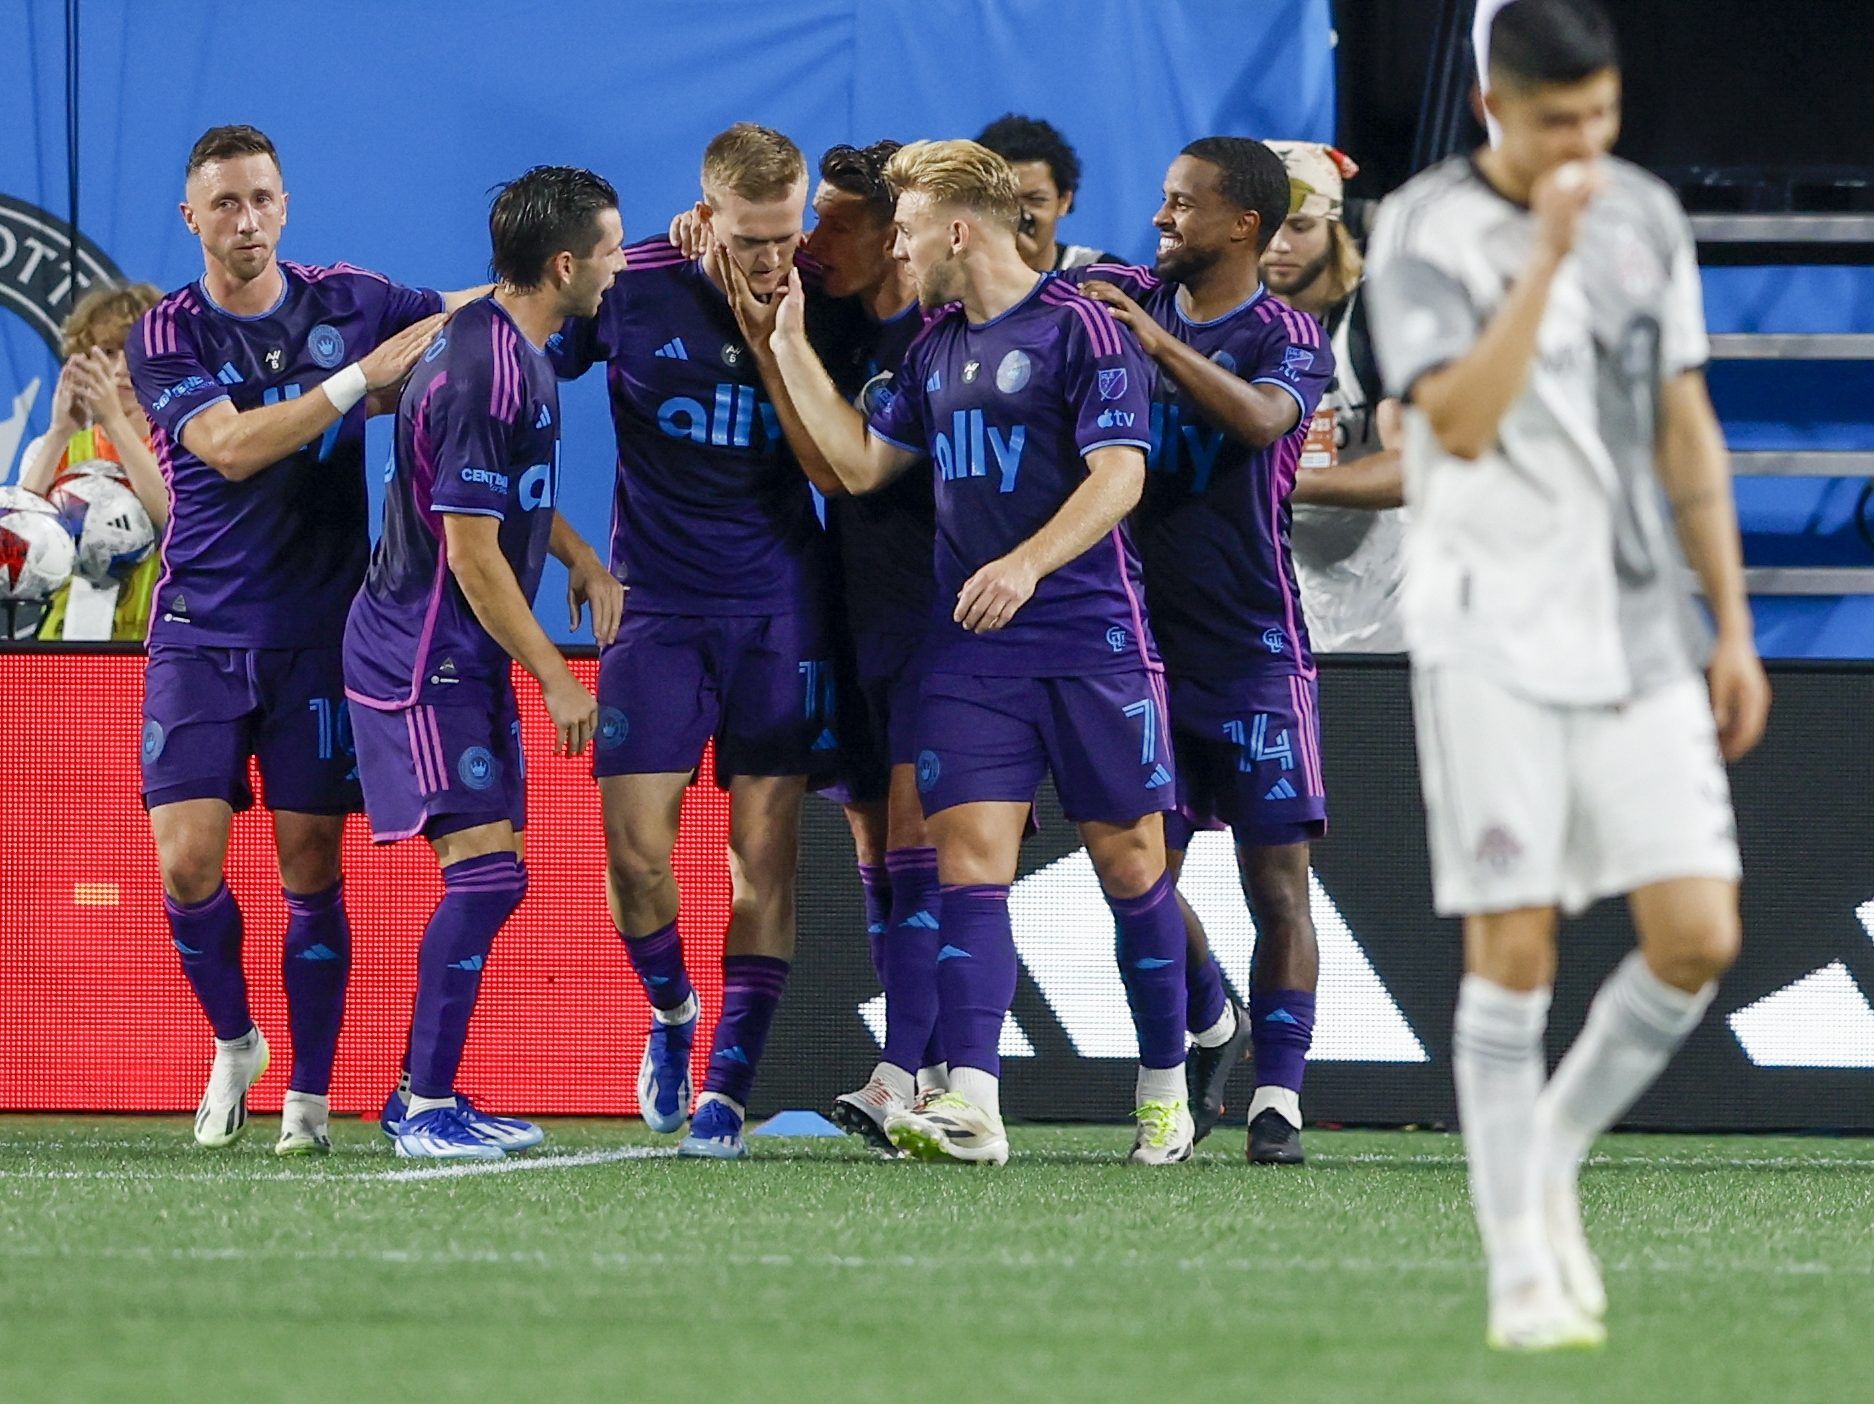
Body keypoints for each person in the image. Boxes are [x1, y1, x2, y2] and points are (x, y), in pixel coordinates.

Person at [1366, 0, 1770, 1351]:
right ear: (1494, 107)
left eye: (1600, 116)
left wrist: (1731, 625)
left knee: (1697, 934)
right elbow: (1460, 428)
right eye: (1557, 122)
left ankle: (1547, 1150)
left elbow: (1682, 421)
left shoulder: (1647, 217)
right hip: (1486, 635)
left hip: (1637, 627)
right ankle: (1518, 1266)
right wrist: (1539, 262)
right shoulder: (1423, 234)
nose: (1586, 145)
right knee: (1515, 946)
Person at [764, 139, 1194, 1167]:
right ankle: (972, 1104)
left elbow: (1119, 476)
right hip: (969, 651)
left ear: (957, 229)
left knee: (1131, 869)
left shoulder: (1083, 328)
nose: (899, 250)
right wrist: (783, 344)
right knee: (967, 873)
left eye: (907, 229)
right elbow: (863, 465)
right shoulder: (930, 349)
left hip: (1088, 639)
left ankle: (1165, 1094)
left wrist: (1026, 565)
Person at [126, 123, 477, 1155]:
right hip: (200, 632)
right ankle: (237, 1041)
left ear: (286, 204)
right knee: (186, 863)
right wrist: (353, 383)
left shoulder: (350, 298)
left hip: (322, 634)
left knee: (311, 865)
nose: (247, 219)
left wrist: (588, 263)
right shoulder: (166, 334)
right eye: (226, 203)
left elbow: (460, 318)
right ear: (191, 216)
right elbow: (230, 448)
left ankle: (310, 1100)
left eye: (263, 199)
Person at [551, 124, 833, 1161]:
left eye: (786, 232)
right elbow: (507, 406)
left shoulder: (822, 290)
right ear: (705, 213)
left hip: (779, 608)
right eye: (751, 237)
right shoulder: (632, 286)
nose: (772, 257)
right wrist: (574, 552)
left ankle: (726, 1089)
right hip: (657, 610)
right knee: (635, 858)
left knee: (765, 862)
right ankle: (671, 1014)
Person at [344, 166, 625, 1160]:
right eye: (608, 250)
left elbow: (507, 499)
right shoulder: (484, 367)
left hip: (465, 649)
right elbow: (467, 548)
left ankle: (426, 1094)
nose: (618, 266)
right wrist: (554, 672)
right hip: (423, 655)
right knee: (482, 875)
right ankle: (423, 1108)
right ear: (563, 264)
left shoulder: (517, 352)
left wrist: (580, 556)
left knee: (495, 877)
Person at [1071, 138, 1336, 1165]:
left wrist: (1154, 343)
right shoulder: (1128, 292)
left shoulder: (1287, 334)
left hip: (1254, 650)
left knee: (1277, 886)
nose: (1158, 221)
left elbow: (1263, 422)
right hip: (1136, 645)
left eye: (1179, 205)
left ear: (1240, 225)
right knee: (1132, 876)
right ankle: (1201, 1025)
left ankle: (1276, 1100)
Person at [1264, 141, 1410, 655]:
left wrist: (1284, 484)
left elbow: (1410, 469)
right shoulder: (1238, 325)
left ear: (1333, 226)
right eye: (1268, 227)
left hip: (1392, 602)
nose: (1279, 244)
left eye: (1299, 227)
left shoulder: (1373, 316)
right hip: (1289, 600)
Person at [22, 282, 168, 641]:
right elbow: (17, 541)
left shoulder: (187, 449)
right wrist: (60, 432)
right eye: (106, 351)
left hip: (160, 641)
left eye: (133, 352)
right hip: (66, 643)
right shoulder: (58, 448)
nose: (119, 369)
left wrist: (114, 422)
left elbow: (176, 518)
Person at [976, 115, 1118, 273]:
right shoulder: (954, 285)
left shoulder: (1105, 275)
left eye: (1035, 199)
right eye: (1002, 199)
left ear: (1064, 201)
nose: (1019, 216)